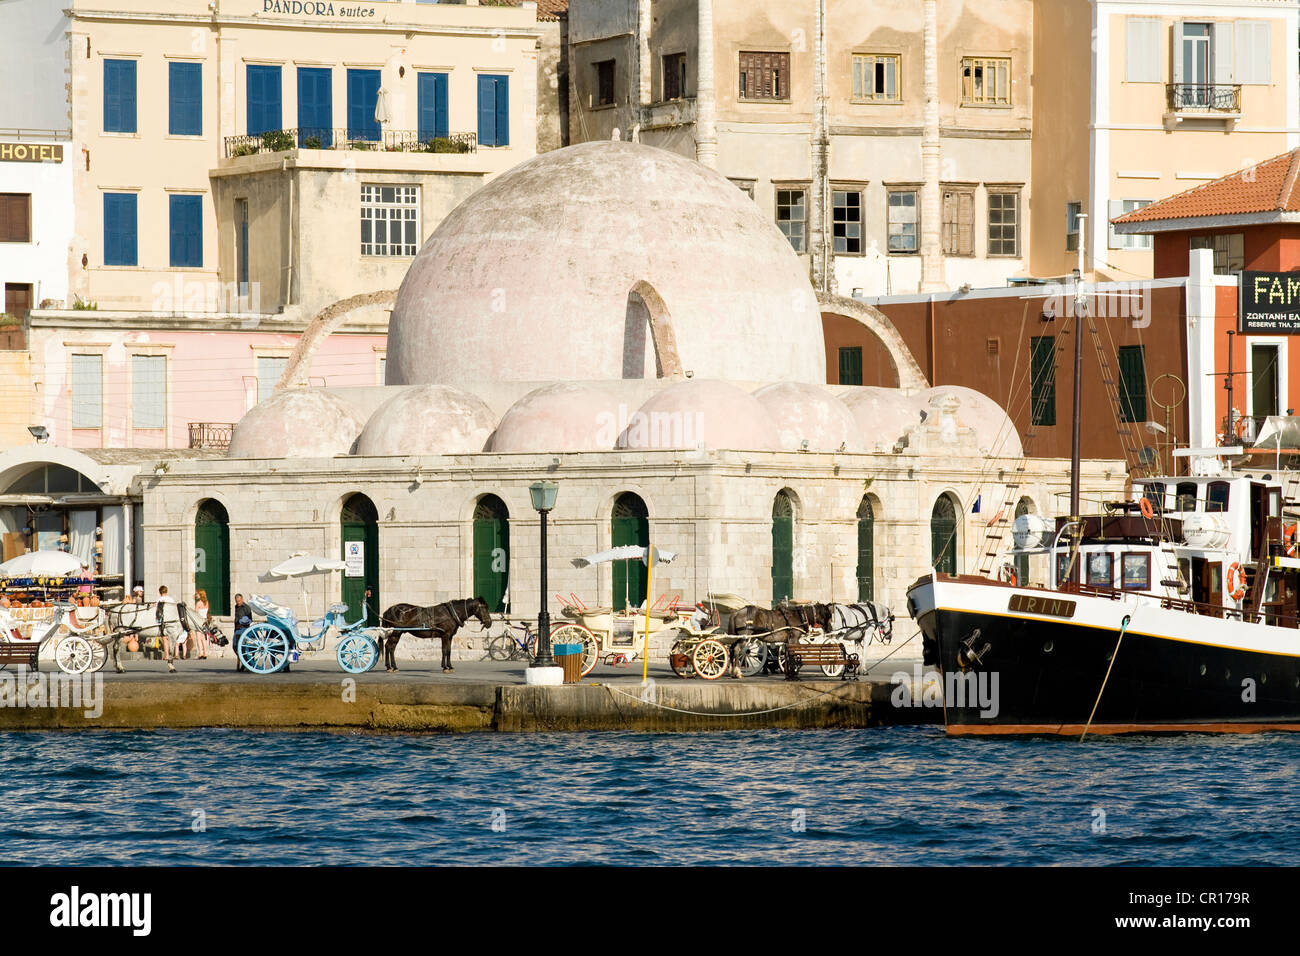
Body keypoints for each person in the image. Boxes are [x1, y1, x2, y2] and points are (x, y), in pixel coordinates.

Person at [155, 585, 184, 673]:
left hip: (163, 621)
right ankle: (176, 654)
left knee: (165, 639)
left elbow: (156, 610)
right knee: (173, 639)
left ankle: (166, 655)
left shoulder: (159, 600)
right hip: (171, 621)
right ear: (166, 591)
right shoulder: (171, 599)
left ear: (160, 592)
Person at [232, 592, 252, 673]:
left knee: (241, 647)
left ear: (242, 599)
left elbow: (250, 619)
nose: (238, 603)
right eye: (237, 601)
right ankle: (245, 662)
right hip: (237, 629)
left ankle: (246, 664)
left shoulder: (246, 608)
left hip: (243, 629)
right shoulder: (236, 606)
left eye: (239, 601)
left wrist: (243, 621)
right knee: (234, 646)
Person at [189, 589, 211, 660]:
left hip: (199, 622)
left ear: (200, 594)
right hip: (205, 621)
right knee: (203, 638)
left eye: (197, 594)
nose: (196, 595)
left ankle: (201, 653)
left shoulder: (198, 603)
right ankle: (205, 653)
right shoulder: (207, 602)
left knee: (198, 638)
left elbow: (195, 613)